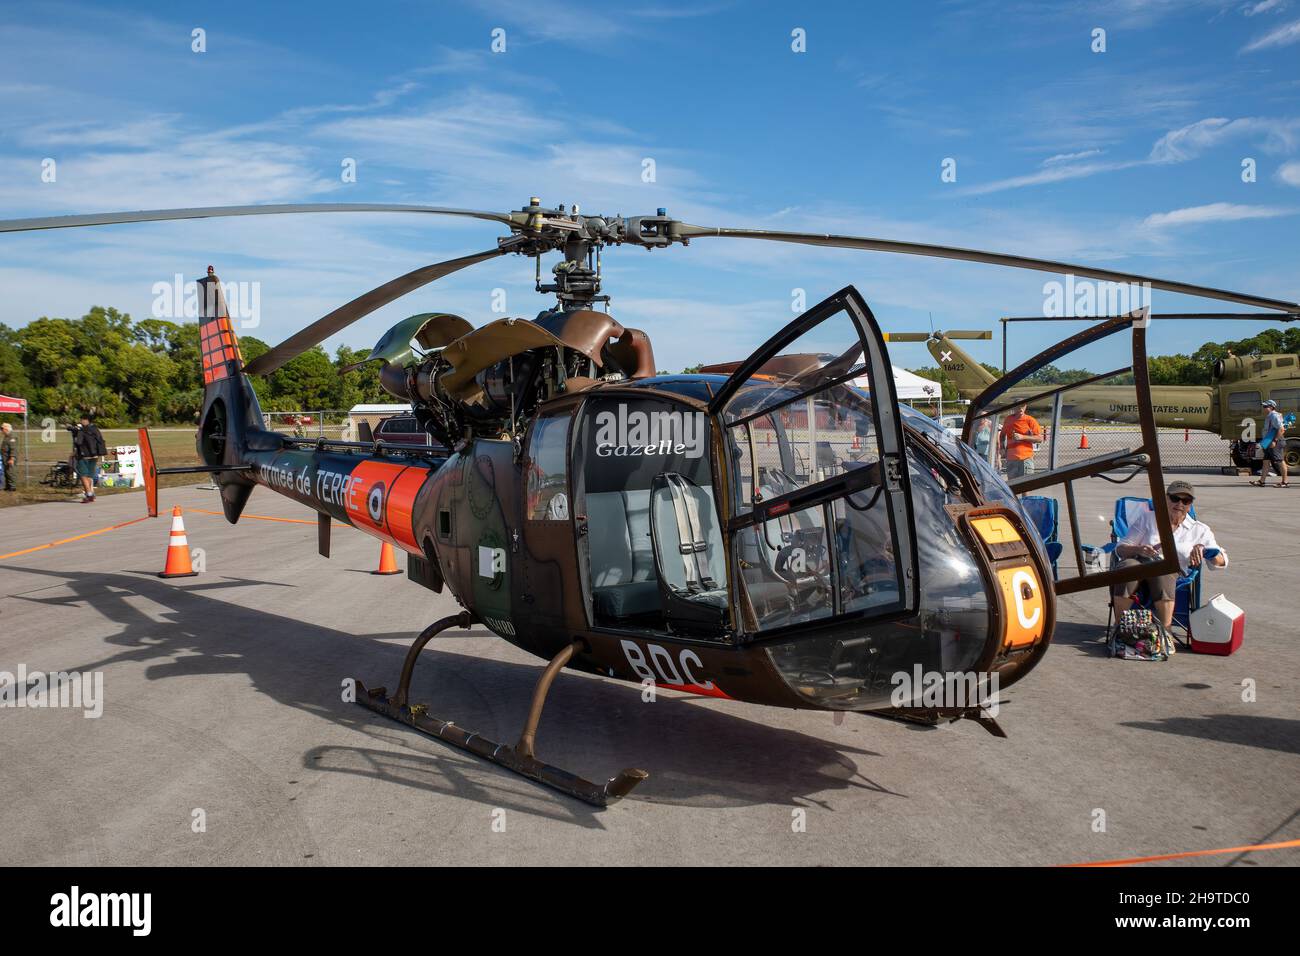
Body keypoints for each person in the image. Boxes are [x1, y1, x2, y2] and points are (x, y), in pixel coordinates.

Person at [1110, 480, 1227, 630]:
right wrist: (1139, 550)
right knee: (1127, 567)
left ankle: (1166, 630)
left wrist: (1203, 550)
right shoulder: (1148, 518)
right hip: (1140, 564)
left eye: (1186, 500)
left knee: (1163, 571)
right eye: (1175, 498)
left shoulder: (1199, 530)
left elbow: (1220, 561)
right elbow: (1120, 549)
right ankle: (1120, 627)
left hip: (1172, 573)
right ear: (1165, 498)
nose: (1180, 504)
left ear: (1190, 504)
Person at [998, 402, 1042, 481]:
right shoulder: (1008, 419)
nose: (1021, 409)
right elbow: (1002, 435)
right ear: (1014, 407)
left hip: (1025, 458)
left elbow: (1039, 439)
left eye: (1023, 406)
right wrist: (1002, 448)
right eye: (1018, 406)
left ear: (1025, 407)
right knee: (1013, 485)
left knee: (1025, 485)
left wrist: (1022, 437)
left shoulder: (1030, 420)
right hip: (1011, 459)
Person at [1252, 399, 1288, 488]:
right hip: (1268, 441)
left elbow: (1281, 429)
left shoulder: (1274, 416)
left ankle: (1285, 482)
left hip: (1275, 441)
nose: (1263, 408)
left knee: (1280, 461)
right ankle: (1262, 481)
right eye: (1263, 406)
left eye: (1265, 407)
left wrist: (1275, 441)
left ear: (1271, 407)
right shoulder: (1270, 415)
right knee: (1266, 461)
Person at [72, 413, 106, 503]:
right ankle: (92, 493)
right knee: (90, 475)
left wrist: (76, 435)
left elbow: (78, 443)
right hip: (95, 455)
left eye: (82, 419)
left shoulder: (82, 430)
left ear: (86, 420)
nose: (81, 421)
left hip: (84, 456)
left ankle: (89, 495)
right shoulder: (95, 429)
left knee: (83, 475)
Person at [0, 421, 13, 492]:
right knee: (4, 471)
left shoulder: (11, 436)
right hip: (3, 457)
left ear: (6, 429)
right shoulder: (6, 436)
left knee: (9, 472)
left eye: (2, 429)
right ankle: (7, 486)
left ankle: (11, 486)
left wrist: (12, 458)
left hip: (7, 457)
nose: (1, 430)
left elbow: (12, 448)